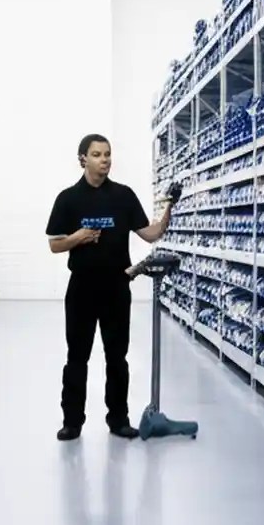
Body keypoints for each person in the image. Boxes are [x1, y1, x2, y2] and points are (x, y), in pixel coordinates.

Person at [45, 134, 174, 441]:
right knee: (77, 356)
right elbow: (54, 244)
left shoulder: (123, 196)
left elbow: (151, 234)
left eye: (107, 154)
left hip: (117, 287)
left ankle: (119, 419)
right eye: (97, 154)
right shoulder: (68, 198)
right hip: (82, 290)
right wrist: (80, 237)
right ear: (83, 159)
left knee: (117, 357)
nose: (104, 159)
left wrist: (169, 206)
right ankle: (72, 422)